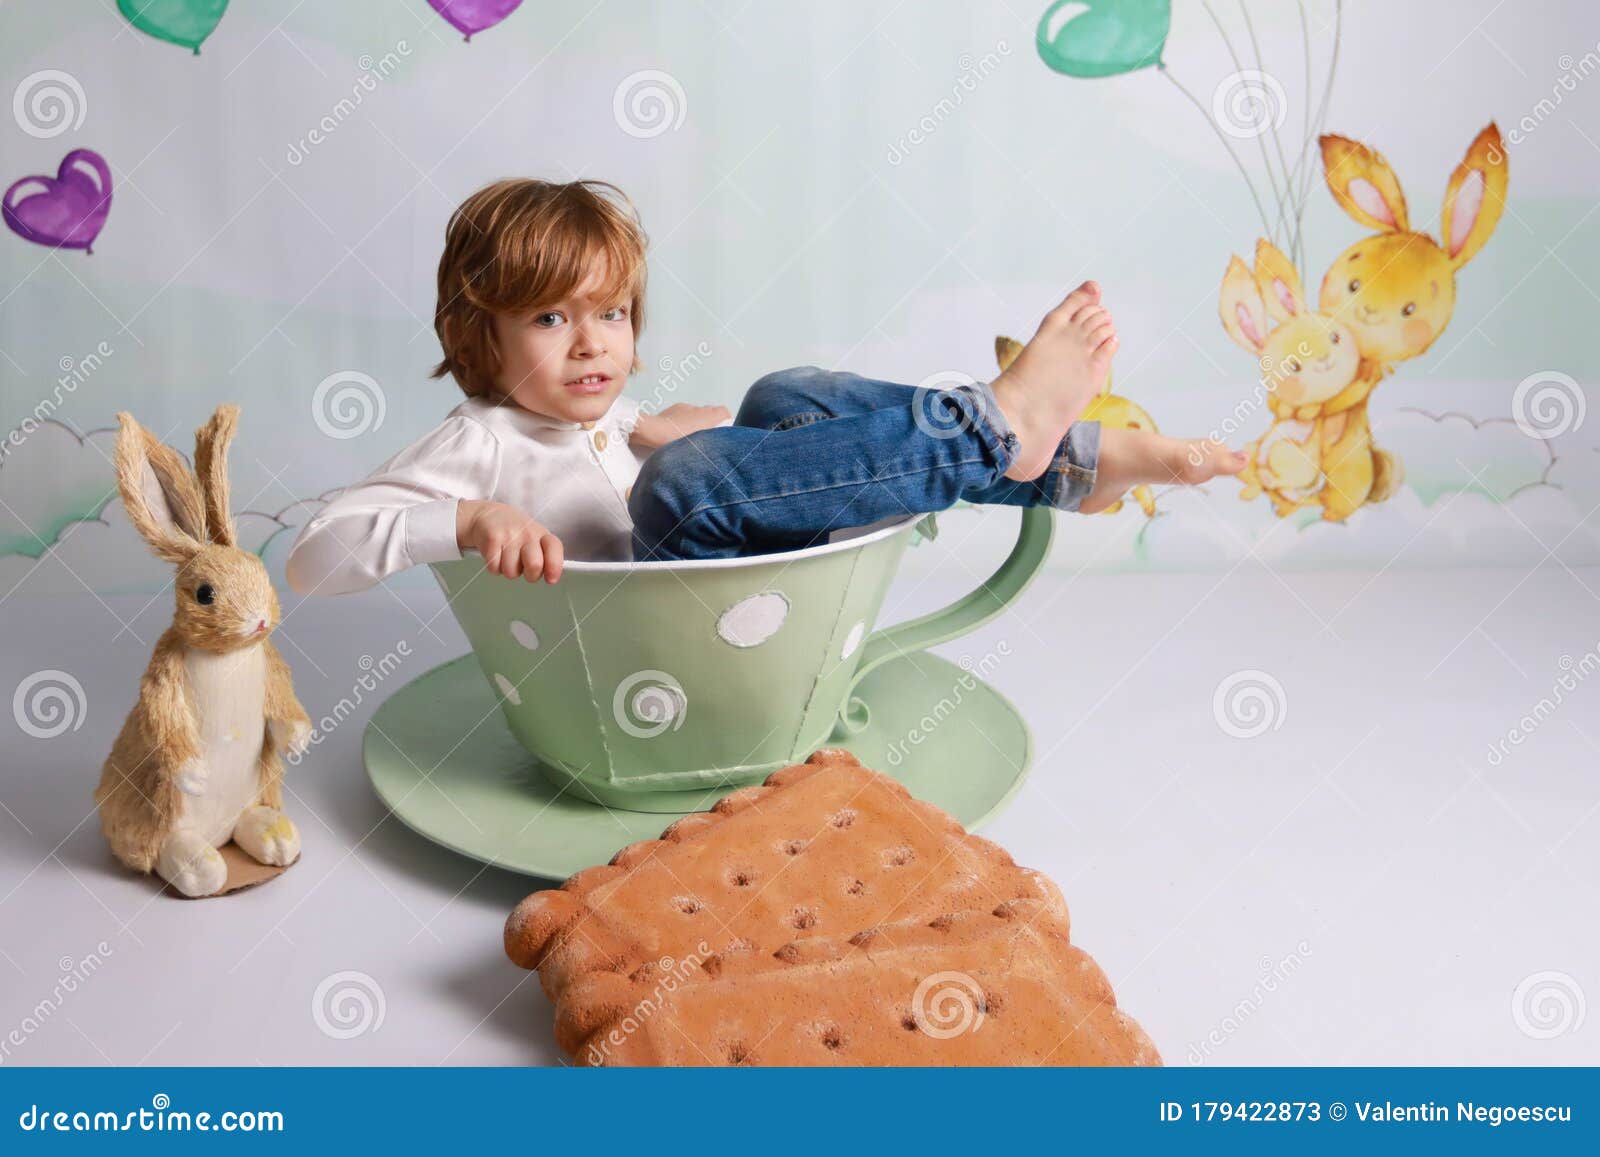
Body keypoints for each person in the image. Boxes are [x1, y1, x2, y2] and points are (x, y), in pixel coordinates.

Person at [285, 179, 1243, 594]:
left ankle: (1070, 467)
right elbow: (313, 558)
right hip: (654, 646)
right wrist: (465, 523)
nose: (591, 344)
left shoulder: (609, 416)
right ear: (475, 339)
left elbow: (606, 464)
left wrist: (657, 432)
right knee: (685, 483)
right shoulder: (477, 445)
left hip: (725, 575)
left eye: (611, 314)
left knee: (783, 395)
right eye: (548, 319)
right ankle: (993, 427)